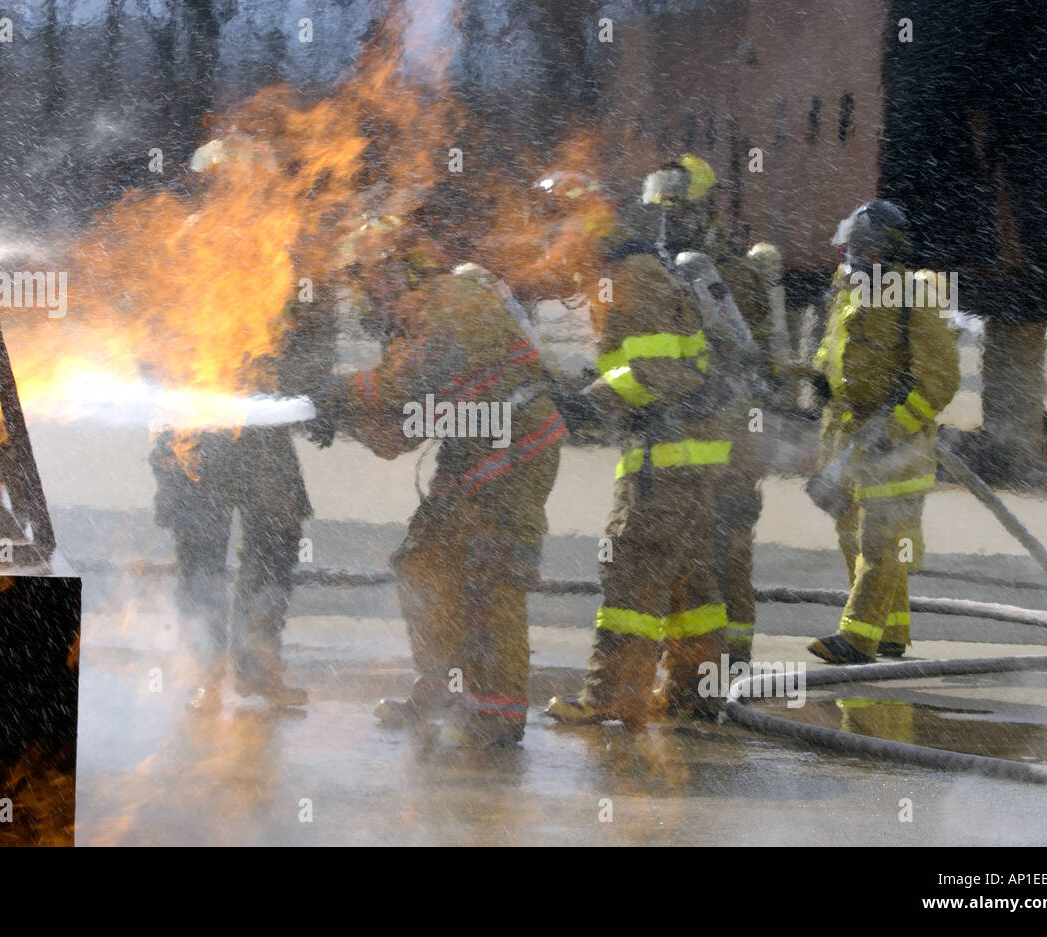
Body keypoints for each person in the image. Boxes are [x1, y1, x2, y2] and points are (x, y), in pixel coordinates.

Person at [314, 220, 565, 747]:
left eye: (367, 277)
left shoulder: (453, 299)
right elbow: (398, 434)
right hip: (473, 445)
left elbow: (405, 382)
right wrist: (337, 417)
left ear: (397, 267)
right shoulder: (415, 322)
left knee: (490, 572)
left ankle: (499, 713)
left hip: (516, 443)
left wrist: (337, 393)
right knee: (423, 563)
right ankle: (441, 691)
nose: (361, 293)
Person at [541, 171, 733, 727]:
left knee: (631, 569)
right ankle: (694, 697)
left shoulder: (632, 275)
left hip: (666, 456)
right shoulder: (632, 271)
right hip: (687, 452)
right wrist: (588, 385)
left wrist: (589, 404)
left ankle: (611, 699)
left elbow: (653, 368)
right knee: (691, 585)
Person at [152, 291, 335, 709]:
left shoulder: (289, 266)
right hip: (198, 434)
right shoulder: (192, 259)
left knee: (272, 556)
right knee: (201, 562)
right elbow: (156, 345)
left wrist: (295, 386)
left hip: (265, 442)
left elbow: (313, 349)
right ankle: (205, 674)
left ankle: (259, 669)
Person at [641, 154, 786, 668]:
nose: (668, 224)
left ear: (705, 215)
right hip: (689, 434)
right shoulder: (666, 268)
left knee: (727, 549)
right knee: (682, 548)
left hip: (734, 436)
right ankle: (691, 659)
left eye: (678, 214)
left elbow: (742, 359)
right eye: (662, 214)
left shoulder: (728, 276)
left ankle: (733, 660)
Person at [805, 200, 959, 663]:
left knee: (880, 543)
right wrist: (815, 378)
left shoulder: (915, 295)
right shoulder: (849, 291)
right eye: (851, 247)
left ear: (885, 252)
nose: (853, 257)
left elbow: (939, 380)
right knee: (851, 536)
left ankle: (857, 641)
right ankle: (892, 633)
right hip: (848, 443)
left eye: (863, 248)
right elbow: (835, 354)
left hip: (898, 449)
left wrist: (890, 430)